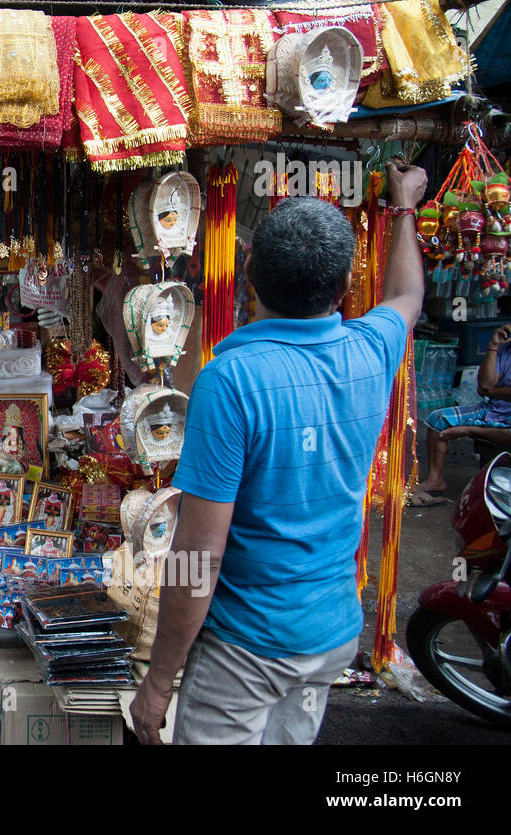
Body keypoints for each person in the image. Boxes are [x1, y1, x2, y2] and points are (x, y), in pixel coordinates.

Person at [130, 160, 427, 746]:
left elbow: (197, 556)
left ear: (248, 275)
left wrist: (159, 680)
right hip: (330, 637)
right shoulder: (371, 349)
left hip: (248, 650)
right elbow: (407, 293)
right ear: (344, 288)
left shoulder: (232, 380)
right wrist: (404, 208)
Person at [413, 322, 511, 505]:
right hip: (494, 408)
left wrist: (493, 391)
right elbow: (484, 386)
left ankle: (470, 430)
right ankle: (435, 480)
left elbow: (490, 389)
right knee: (438, 419)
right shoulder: (505, 350)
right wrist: (493, 347)